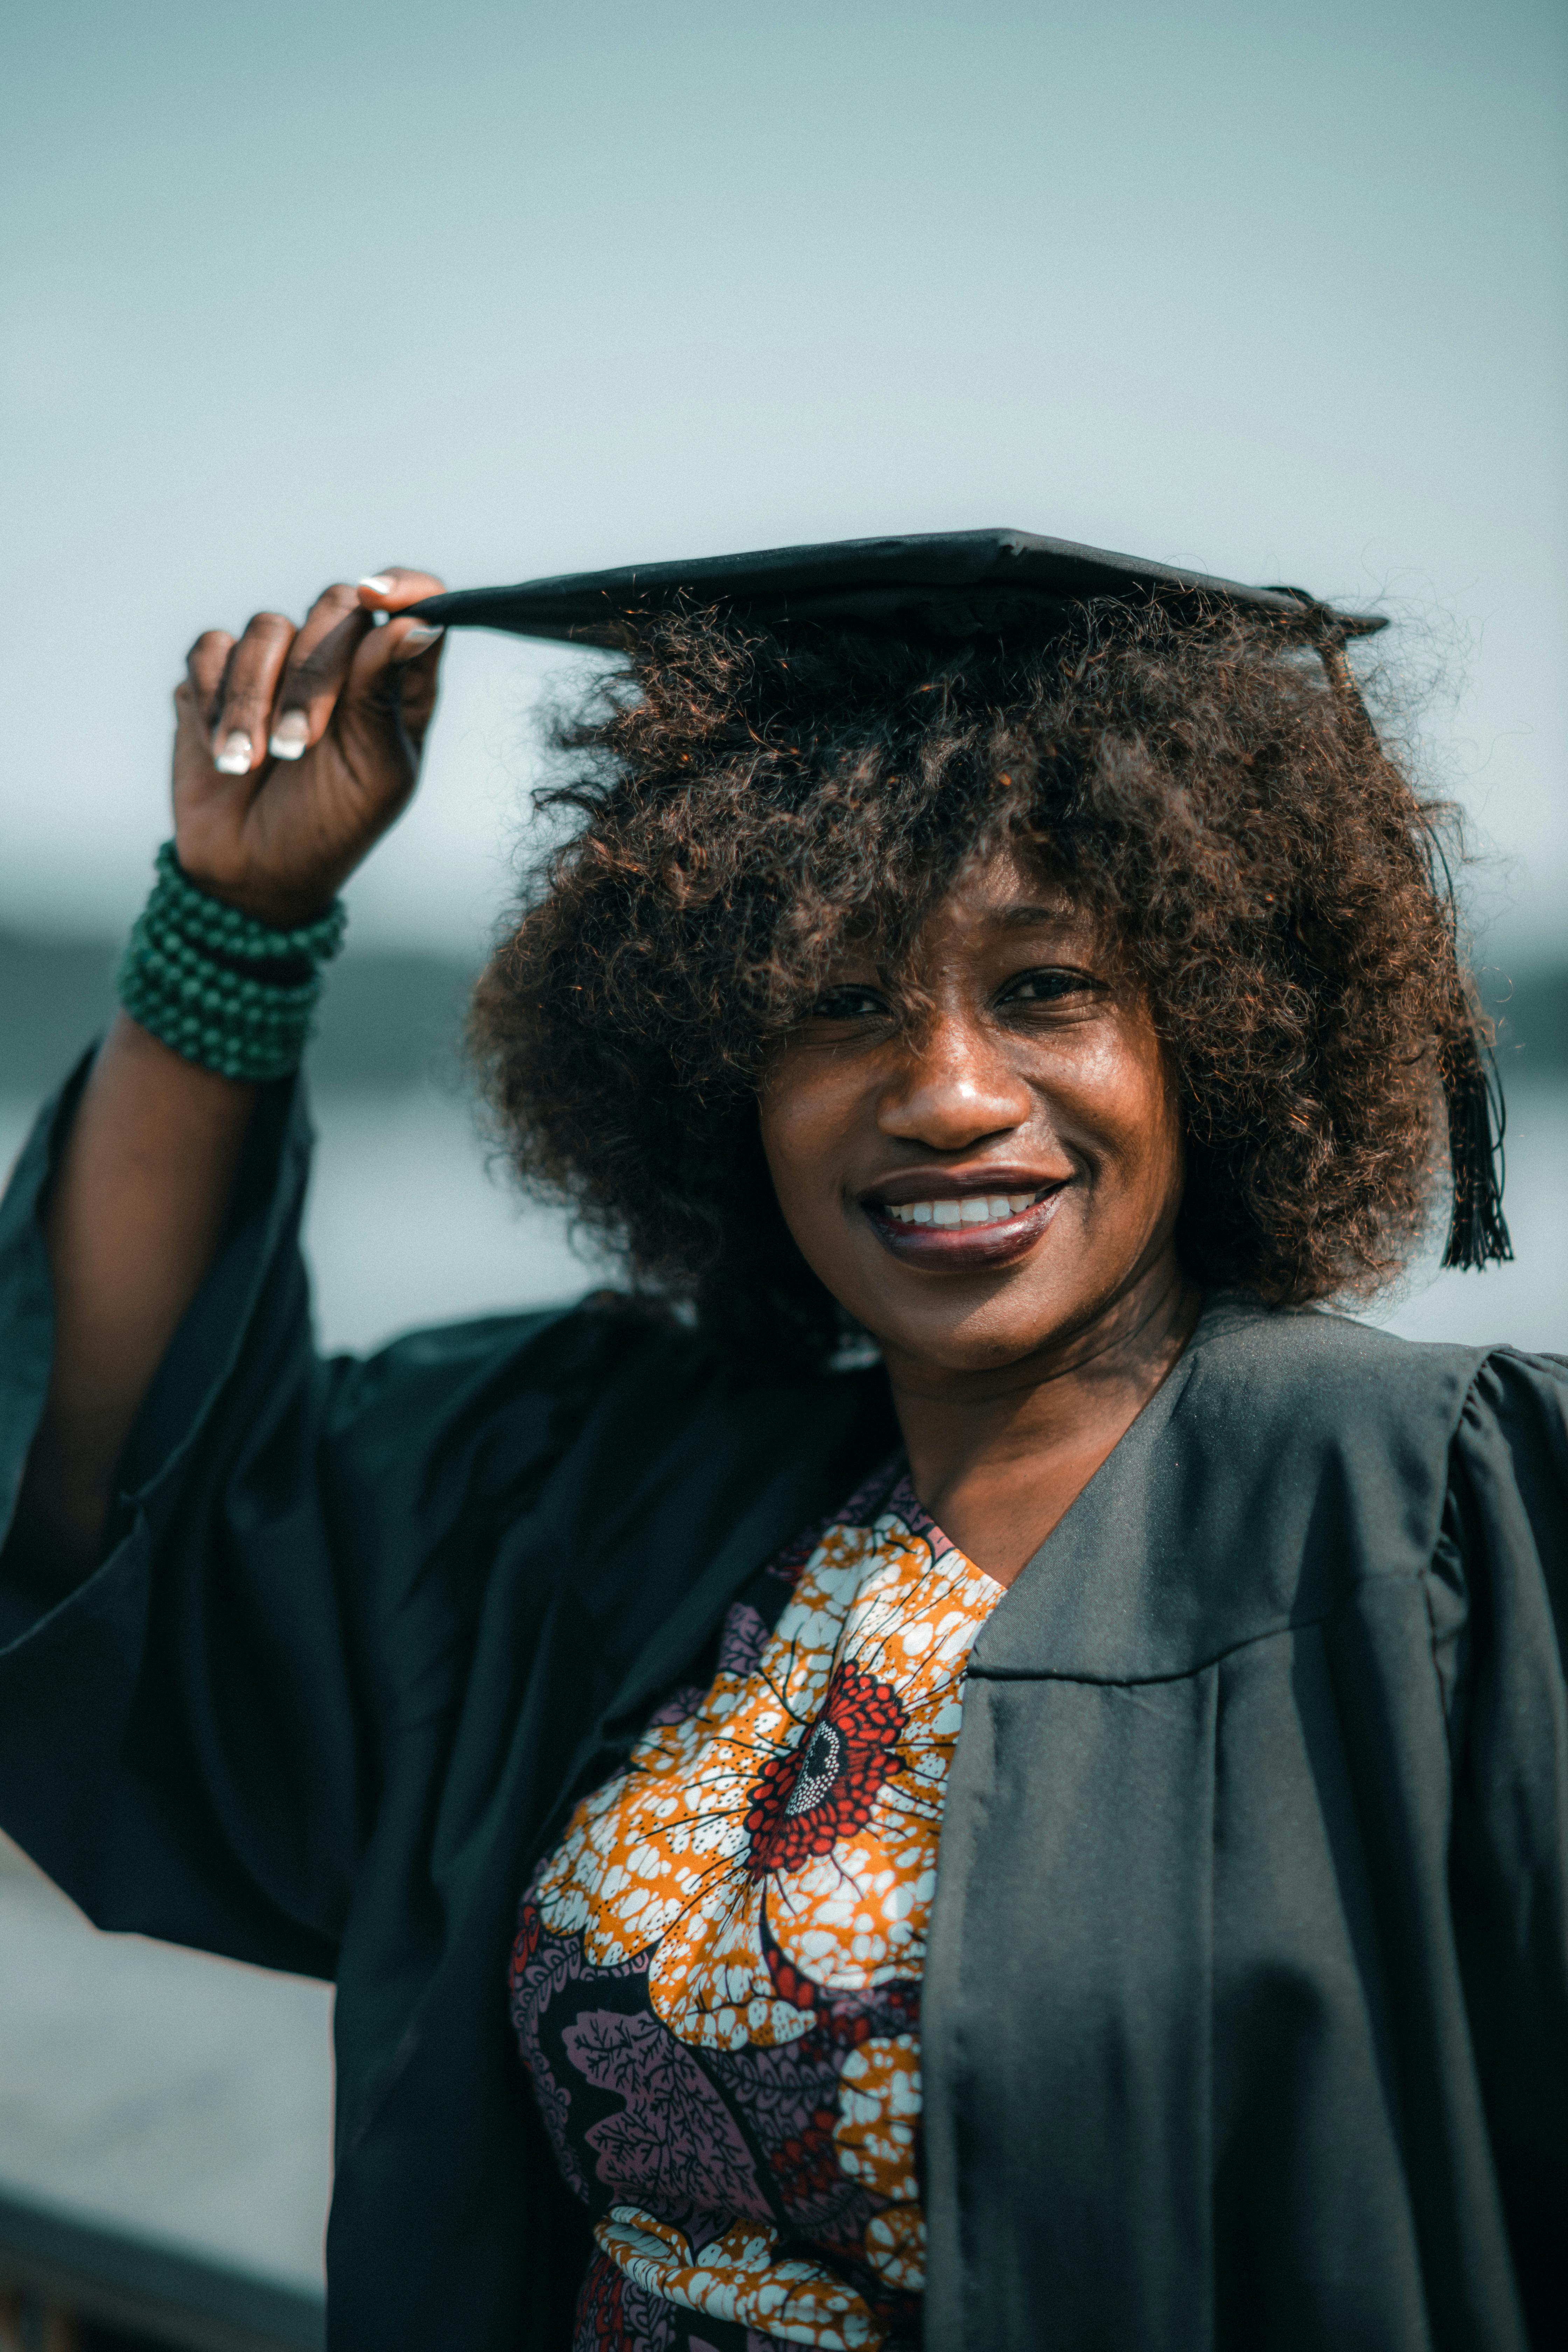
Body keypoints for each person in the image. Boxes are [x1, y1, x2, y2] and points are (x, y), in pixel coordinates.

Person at [0, 531, 1562, 2352]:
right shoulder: (630, 1502)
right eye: (840, 1005)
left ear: (1211, 1026)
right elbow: (120, 1523)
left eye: (1049, 986)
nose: (952, 1096)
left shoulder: (1434, 1518)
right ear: (709, 1076)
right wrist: (240, 924)